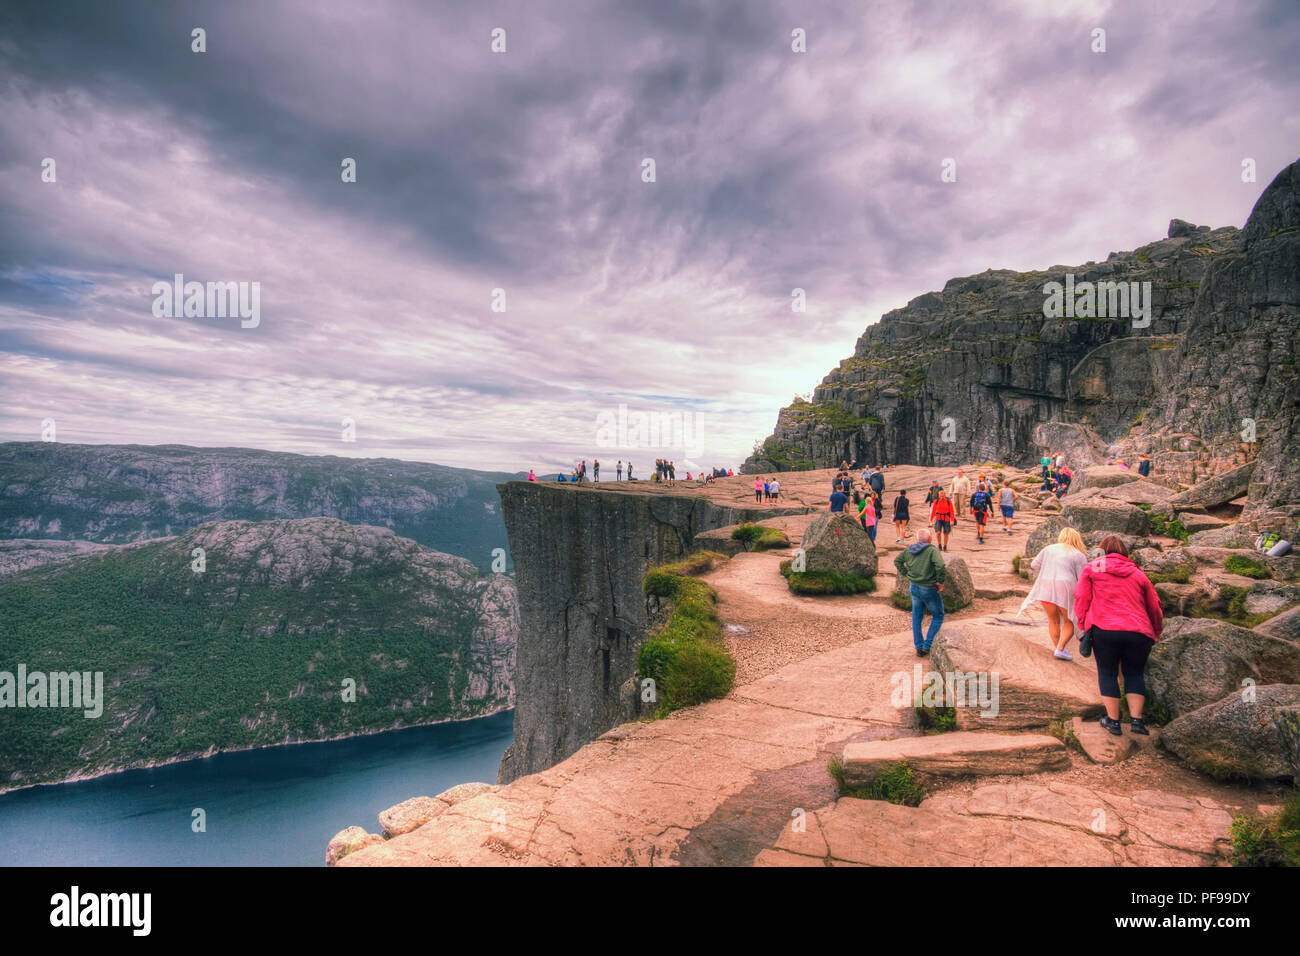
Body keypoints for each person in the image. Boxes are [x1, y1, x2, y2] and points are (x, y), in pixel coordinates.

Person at [1074, 536, 1164, 737]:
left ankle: (1113, 722)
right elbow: (1154, 605)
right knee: (1134, 673)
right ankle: (1137, 721)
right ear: (1124, 551)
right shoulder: (1137, 573)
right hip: (1138, 631)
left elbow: (1081, 597)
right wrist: (1156, 630)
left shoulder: (1092, 568)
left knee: (1107, 672)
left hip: (1104, 628)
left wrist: (1082, 624)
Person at [1020, 527, 1088, 659]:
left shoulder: (1049, 549)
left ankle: (1059, 649)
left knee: (1053, 619)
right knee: (1069, 620)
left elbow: (1034, 565)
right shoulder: (1078, 554)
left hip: (1046, 584)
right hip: (1066, 586)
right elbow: (1082, 578)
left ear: (1061, 537)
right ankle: (1060, 648)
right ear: (1076, 539)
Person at [895, 529, 947, 657]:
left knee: (916, 617)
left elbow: (897, 561)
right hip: (928, 587)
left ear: (918, 539)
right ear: (929, 539)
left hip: (914, 587)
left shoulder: (909, 549)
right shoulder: (932, 550)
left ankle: (919, 646)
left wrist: (907, 574)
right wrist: (940, 582)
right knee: (938, 615)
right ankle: (927, 646)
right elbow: (940, 566)